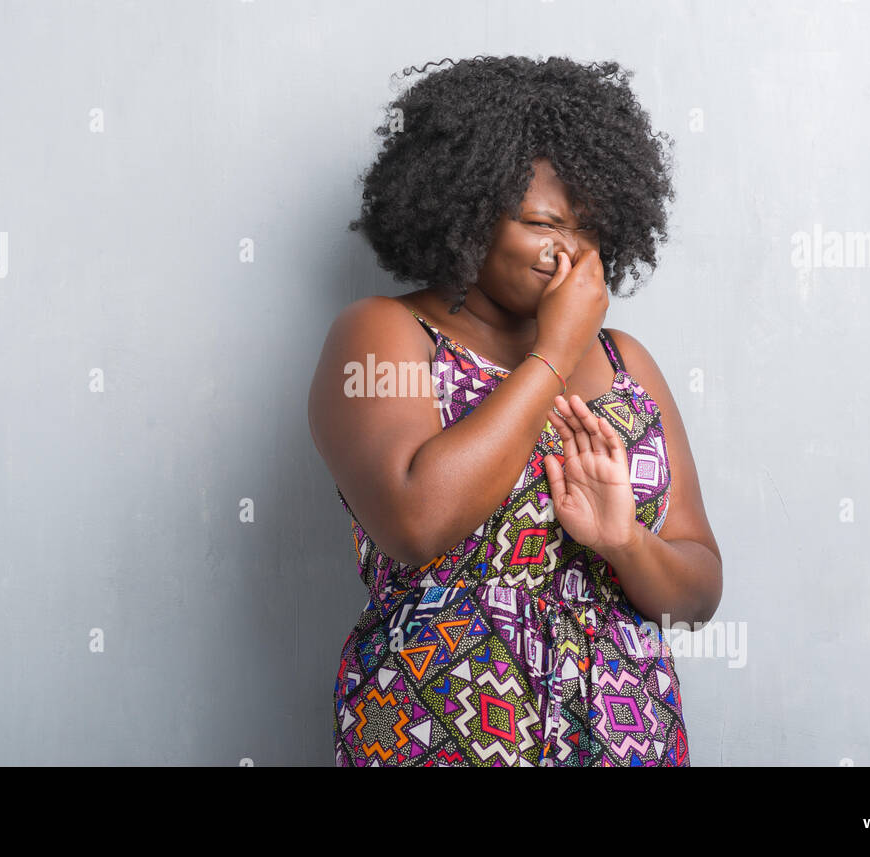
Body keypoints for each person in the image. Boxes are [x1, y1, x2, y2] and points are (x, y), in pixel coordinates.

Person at [308, 55, 722, 767]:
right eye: (542, 223)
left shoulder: (627, 363)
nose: (569, 253)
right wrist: (555, 352)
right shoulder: (382, 334)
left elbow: (696, 595)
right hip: (437, 731)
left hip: (627, 734)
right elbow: (417, 521)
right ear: (464, 212)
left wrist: (625, 543)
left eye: (590, 230)